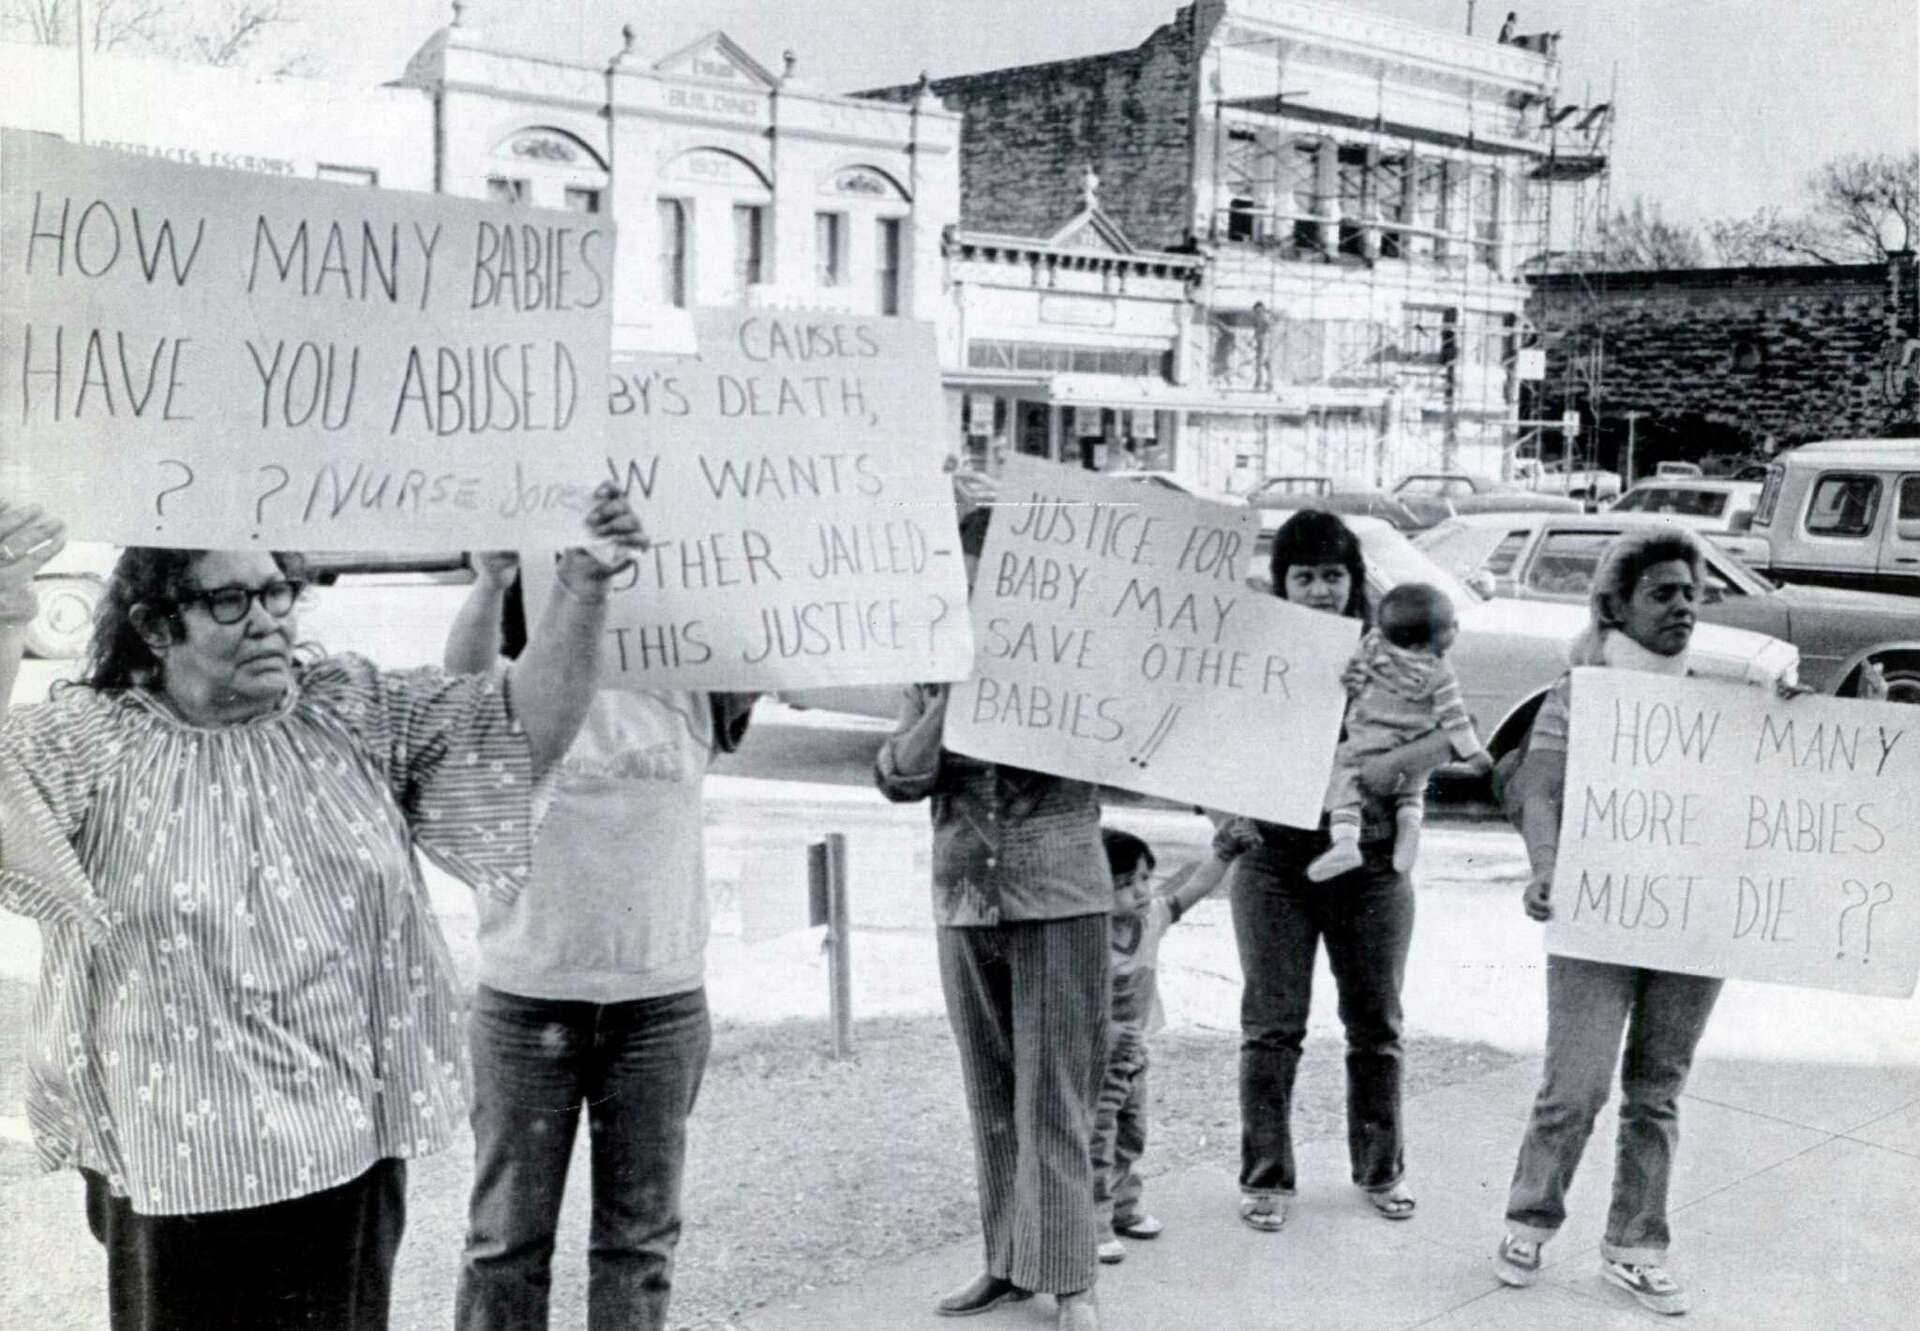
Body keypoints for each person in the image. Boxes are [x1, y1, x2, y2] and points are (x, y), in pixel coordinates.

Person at [0, 486, 642, 1331]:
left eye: (277, 591)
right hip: (177, 1169)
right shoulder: (93, 743)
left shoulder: (353, 711)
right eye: (230, 600)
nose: (267, 618)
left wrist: (584, 586)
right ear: (156, 628)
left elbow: (521, 734)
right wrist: (7, 605)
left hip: (343, 1157)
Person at [1489, 527, 1880, 1316]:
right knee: (1577, 1084)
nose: (1683, 608)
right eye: (1663, 592)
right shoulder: (1584, 688)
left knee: (1657, 1088)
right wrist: (1543, 865)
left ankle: (1636, 1242)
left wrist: (1810, 722)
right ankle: (1529, 1216)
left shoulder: (1725, 690)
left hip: (1694, 921)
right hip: (1599, 916)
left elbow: (1782, 779)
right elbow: (1538, 786)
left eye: (1692, 593)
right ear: (1617, 603)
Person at [445, 554, 754, 1331]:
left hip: (659, 1004)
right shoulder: (518, 687)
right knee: (505, 1243)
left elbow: (774, 621)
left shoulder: (692, 686)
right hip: (527, 1002)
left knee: (639, 1245)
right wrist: (488, 582)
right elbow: (459, 686)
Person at [876, 506, 1110, 1331]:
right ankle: (1009, 1262)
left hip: (1061, 892)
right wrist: (952, 693)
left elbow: (1119, 752)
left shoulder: (1078, 657)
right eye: (972, 574)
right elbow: (898, 775)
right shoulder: (932, 661)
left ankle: (1071, 1276)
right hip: (965, 895)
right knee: (991, 1086)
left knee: (1056, 1087)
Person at [1232, 510, 1457, 1233]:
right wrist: (1219, 815)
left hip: (1370, 857)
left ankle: (1381, 1167)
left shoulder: (1389, 644)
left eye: (1334, 575)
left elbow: (1446, 736)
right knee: (1272, 1024)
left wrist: (1383, 768)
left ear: (1355, 581)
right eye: (1305, 576)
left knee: (1376, 1022)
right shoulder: (1258, 651)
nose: (1321, 589)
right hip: (1274, 854)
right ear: (1283, 581)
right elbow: (1208, 738)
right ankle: (1266, 1177)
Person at [1090, 822, 1256, 1265]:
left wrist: (1224, 852)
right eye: (1123, 884)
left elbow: (1195, 887)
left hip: (1134, 1053)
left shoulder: (1150, 920)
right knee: (1097, 1140)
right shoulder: (1085, 939)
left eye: (1144, 878)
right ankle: (1095, 1221)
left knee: (1131, 1135)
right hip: (1094, 1059)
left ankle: (1124, 1209)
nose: (1140, 891)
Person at [1307, 582, 1491, 883]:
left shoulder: (1373, 644)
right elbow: (1456, 720)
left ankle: (1345, 841)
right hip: (1414, 742)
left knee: (1344, 782)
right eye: (1449, 627)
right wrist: (1474, 754)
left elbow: (1352, 674)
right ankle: (1409, 830)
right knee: (1414, 789)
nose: (1456, 628)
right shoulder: (1441, 674)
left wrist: (1354, 681)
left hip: (1367, 740)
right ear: (1423, 645)